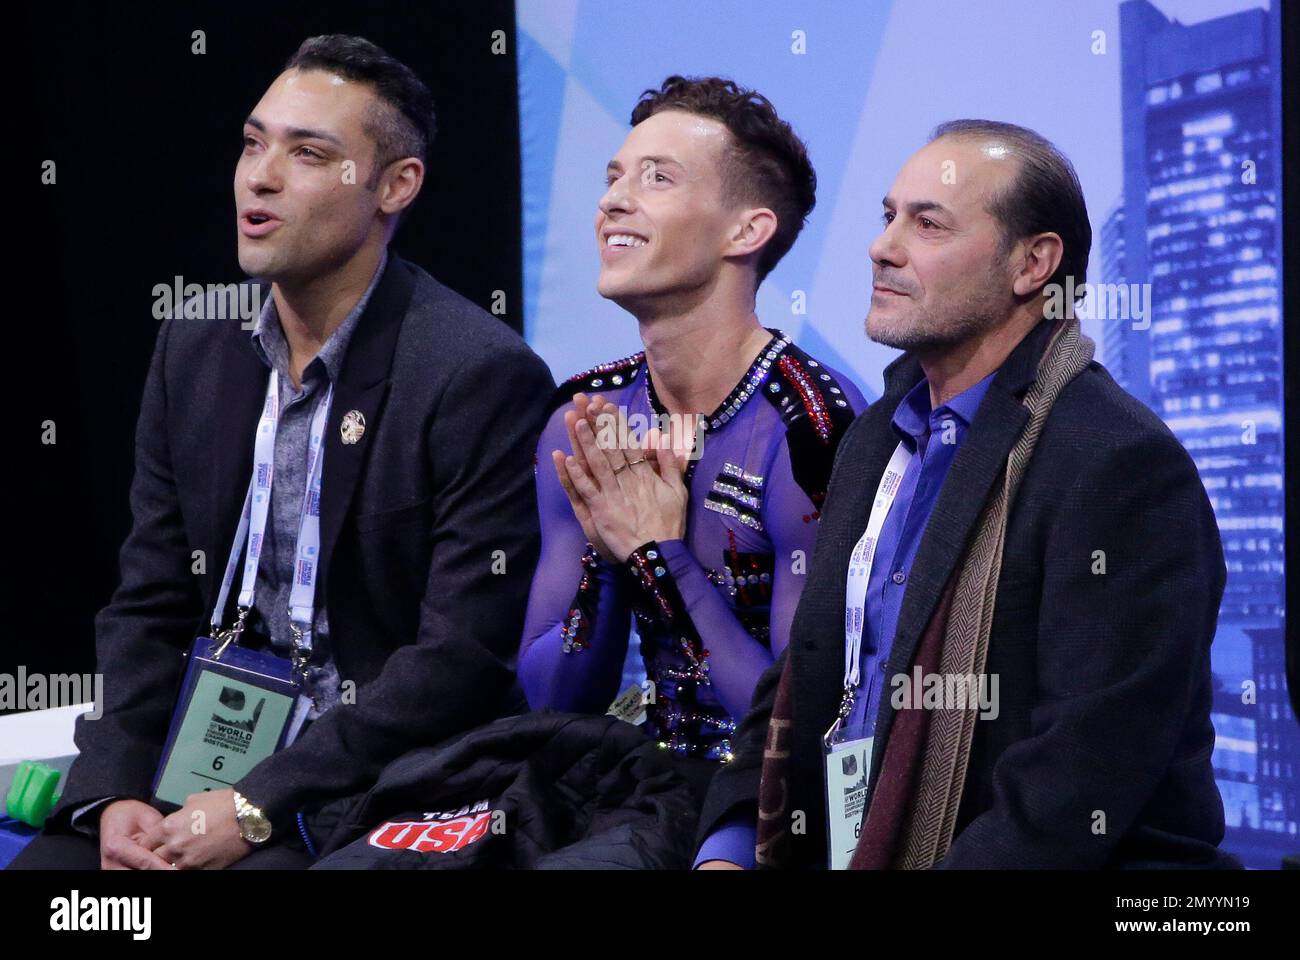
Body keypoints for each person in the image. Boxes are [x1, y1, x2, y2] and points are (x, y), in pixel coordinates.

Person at [10, 34, 553, 870]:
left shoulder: (475, 373)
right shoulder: (194, 345)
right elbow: (151, 599)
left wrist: (258, 804)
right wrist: (114, 788)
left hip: (365, 785)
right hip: (199, 759)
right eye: (254, 143)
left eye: (308, 154)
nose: (259, 176)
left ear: (394, 186)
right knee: (61, 885)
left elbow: (459, 661)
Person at [697, 120, 1240, 869]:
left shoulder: (1118, 464)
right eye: (888, 216)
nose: (883, 246)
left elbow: (1078, 781)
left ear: (1032, 264)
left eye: (928, 224)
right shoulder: (876, 437)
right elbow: (809, 669)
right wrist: (726, 848)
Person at [517, 76, 866, 810]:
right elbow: (549, 701)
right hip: (621, 779)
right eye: (613, 177)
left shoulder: (810, 428)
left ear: (747, 231)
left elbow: (797, 728)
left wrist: (658, 555)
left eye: (657, 178)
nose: (613, 199)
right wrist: (607, 558)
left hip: (754, 802)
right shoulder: (584, 416)